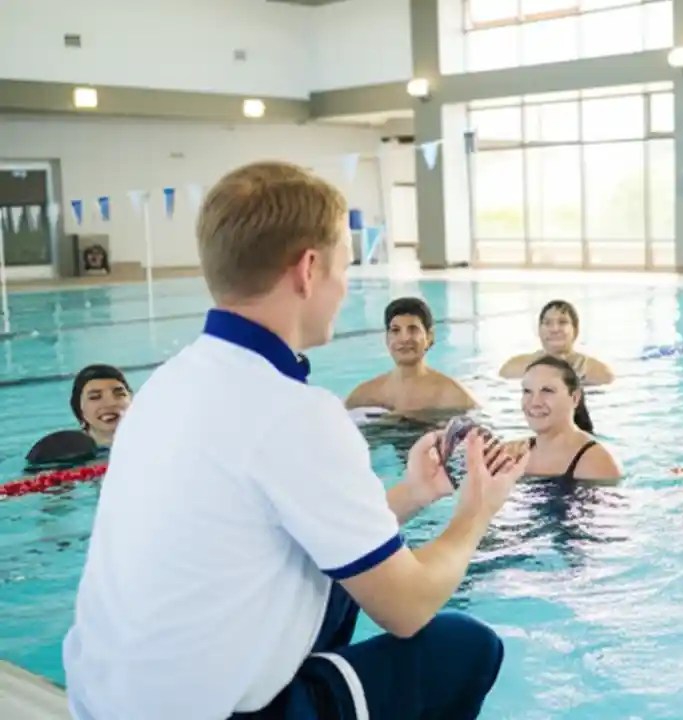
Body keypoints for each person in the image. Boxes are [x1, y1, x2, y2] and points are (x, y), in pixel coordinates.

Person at [62, 161, 530, 720]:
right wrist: (475, 511)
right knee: (464, 646)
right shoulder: (295, 414)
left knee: (338, 583)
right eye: (345, 268)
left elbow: (294, 529)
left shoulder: (169, 382)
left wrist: (412, 493)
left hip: (104, 703)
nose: (345, 288)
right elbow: (407, 608)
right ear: (309, 269)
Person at [345, 296, 478, 416]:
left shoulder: (453, 396)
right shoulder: (364, 396)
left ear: (429, 337)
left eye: (413, 329)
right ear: (387, 338)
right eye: (395, 330)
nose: (404, 338)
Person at [503, 356, 622, 483]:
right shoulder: (512, 454)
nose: (535, 402)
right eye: (527, 391)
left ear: (575, 398)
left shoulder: (595, 463)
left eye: (547, 391)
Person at [498, 299, 614, 386]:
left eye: (562, 322)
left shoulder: (599, 372)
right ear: (539, 330)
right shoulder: (514, 367)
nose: (554, 329)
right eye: (547, 323)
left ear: (576, 330)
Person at [70, 364, 132, 448]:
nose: (110, 403)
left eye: (119, 394)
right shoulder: (68, 451)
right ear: (79, 409)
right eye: (95, 397)